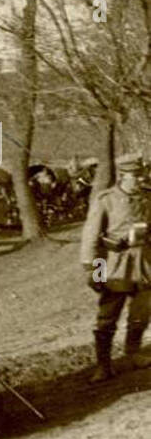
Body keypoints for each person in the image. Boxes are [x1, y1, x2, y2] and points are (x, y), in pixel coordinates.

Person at [79, 157, 151, 380]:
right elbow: (92, 239)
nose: (141, 179)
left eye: (142, 175)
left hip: (145, 266)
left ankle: (133, 352)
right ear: (123, 176)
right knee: (107, 318)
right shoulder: (106, 200)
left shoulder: (147, 198)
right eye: (135, 176)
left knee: (141, 313)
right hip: (115, 268)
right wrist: (94, 272)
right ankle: (103, 365)